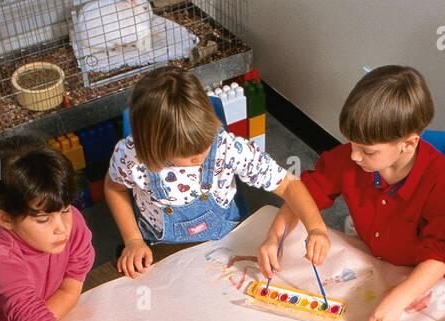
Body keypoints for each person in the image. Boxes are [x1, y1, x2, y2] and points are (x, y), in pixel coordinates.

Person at [261, 65, 445, 321]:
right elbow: (303, 193)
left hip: (414, 279)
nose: (354, 156)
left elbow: (443, 252)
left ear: (409, 144)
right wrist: (273, 237)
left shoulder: (438, 179)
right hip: (369, 262)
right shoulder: (352, 158)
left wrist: (400, 298)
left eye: (367, 151)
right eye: (352, 144)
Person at [0, 133, 174, 321]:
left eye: (64, 210)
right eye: (43, 220)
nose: (62, 228)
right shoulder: (0, 261)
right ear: (5, 219)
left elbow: (69, 291)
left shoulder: (72, 223)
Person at [104, 66, 328, 279]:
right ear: (154, 147)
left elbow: (289, 185)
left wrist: (316, 228)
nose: (201, 157)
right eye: (190, 156)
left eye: (205, 146)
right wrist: (132, 240)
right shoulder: (131, 156)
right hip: (162, 250)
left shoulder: (227, 148)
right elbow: (114, 188)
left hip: (226, 243)